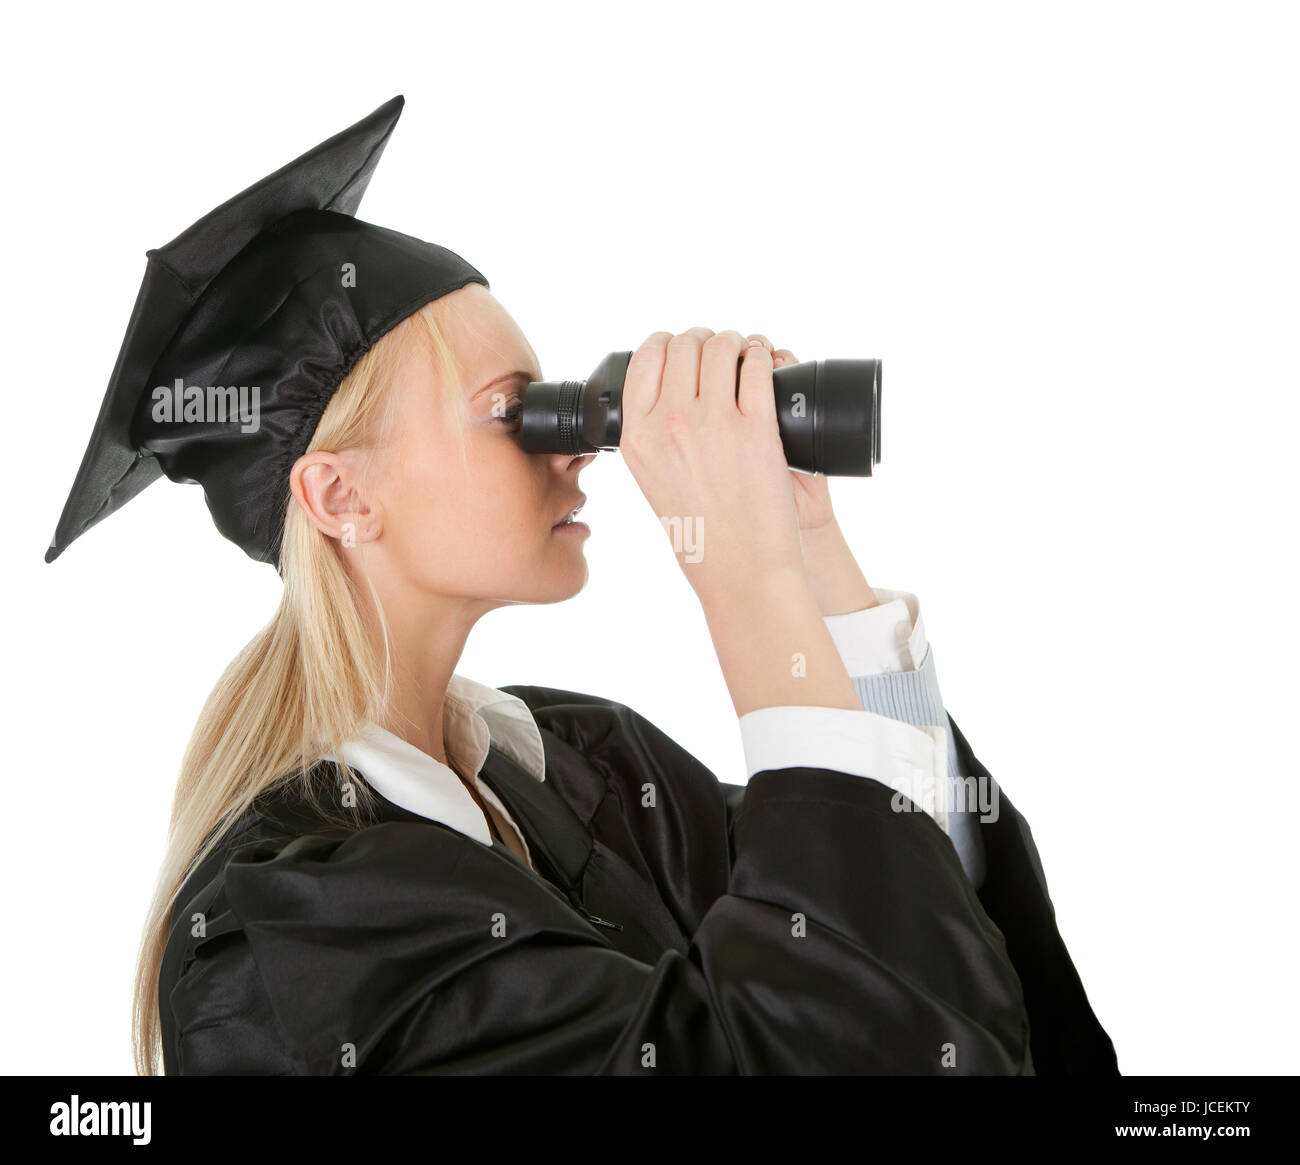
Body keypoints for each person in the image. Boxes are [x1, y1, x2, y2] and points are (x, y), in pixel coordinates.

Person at [45, 97, 1117, 1076]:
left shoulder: (582, 763)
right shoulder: (296, 922)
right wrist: (740, 585)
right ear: (339, 494)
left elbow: (925, 937)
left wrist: (802, 554)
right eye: (516, 411)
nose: (578, 452)